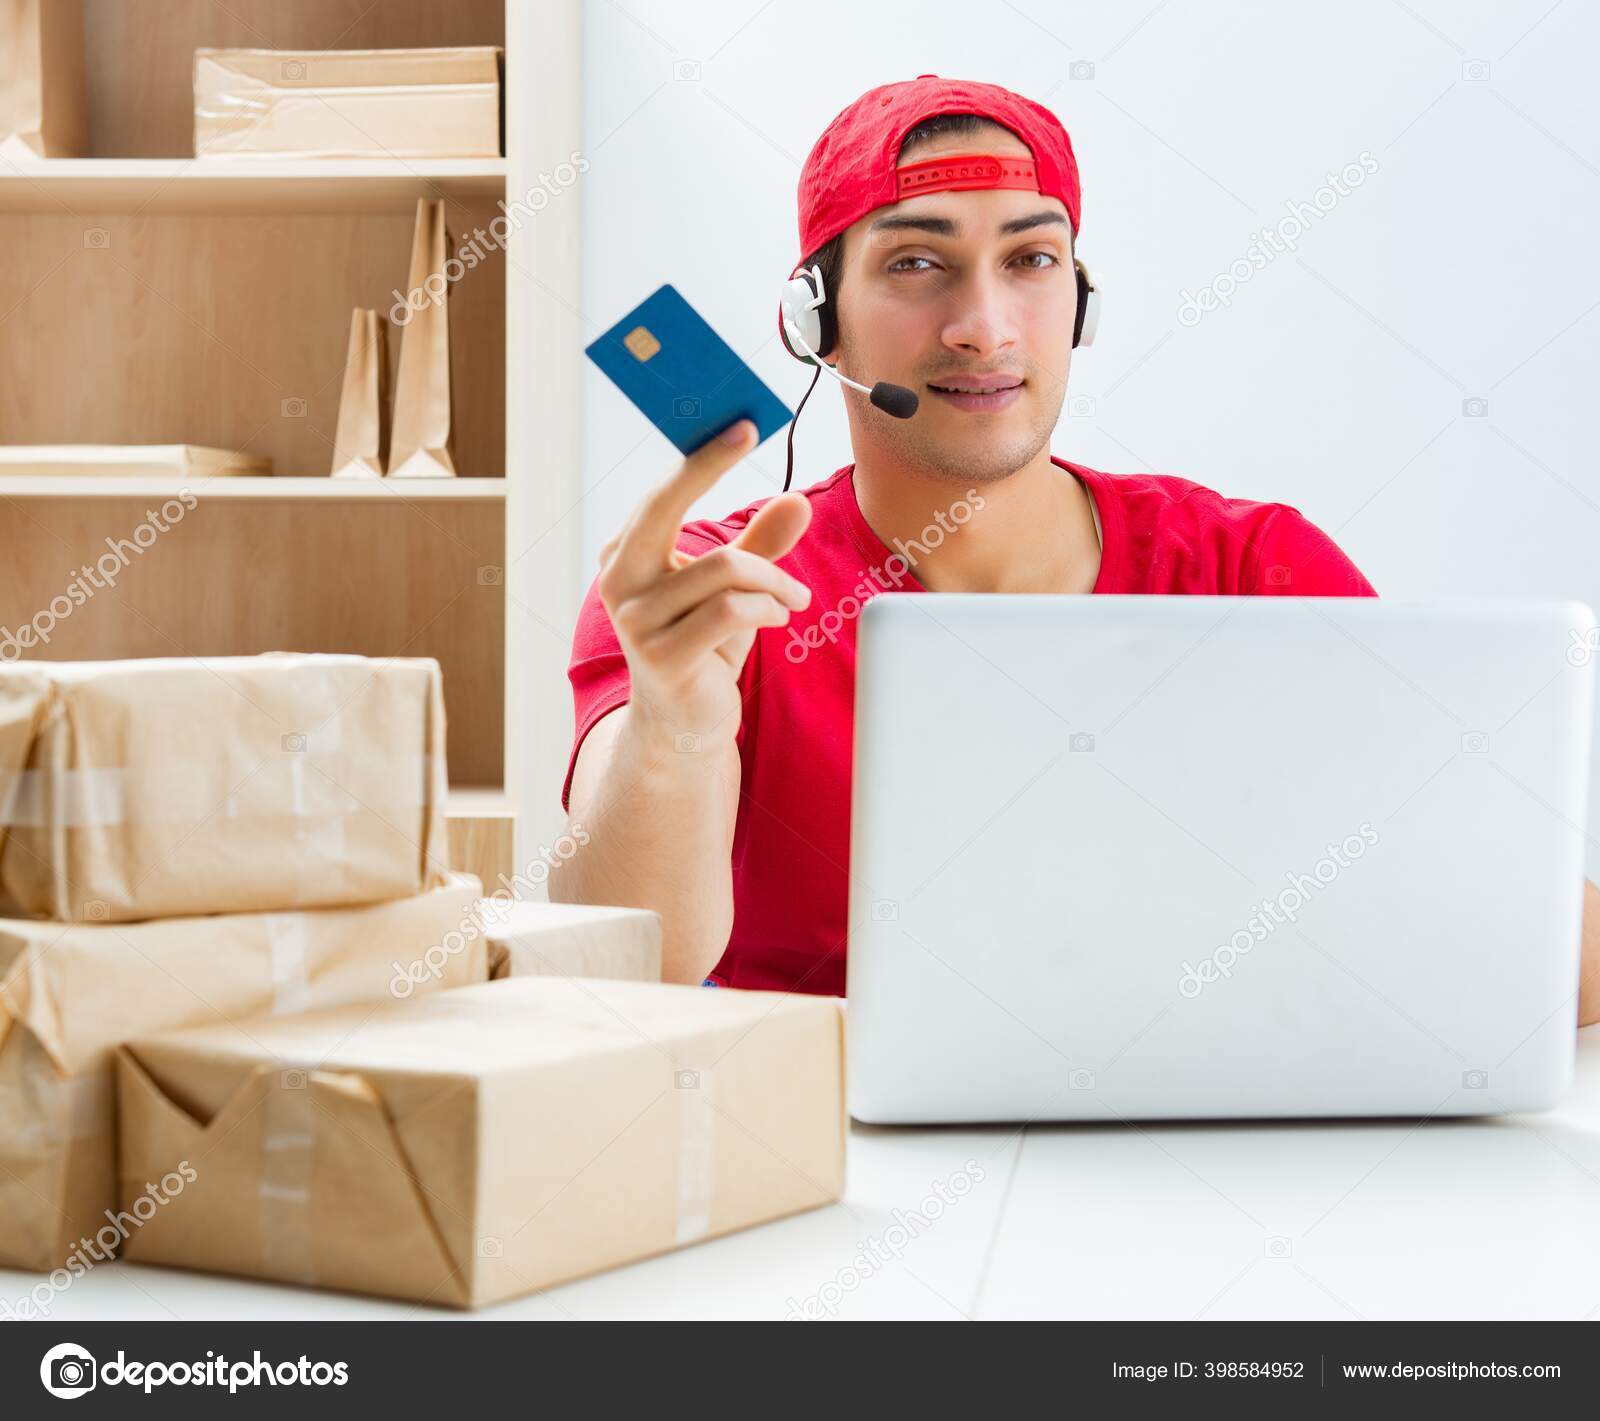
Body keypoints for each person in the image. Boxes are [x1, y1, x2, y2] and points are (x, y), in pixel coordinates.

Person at [551, 75, 1600, 1023]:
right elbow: (616, 980)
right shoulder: (697, 599)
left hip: (1203, 1141)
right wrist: (676, 726)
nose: (984, 324)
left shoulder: (1255, 569)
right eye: (917, 261)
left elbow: (1539, 946)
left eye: (1030, 259)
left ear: (1078, 303)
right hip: (819, 1165)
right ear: (812, 319)